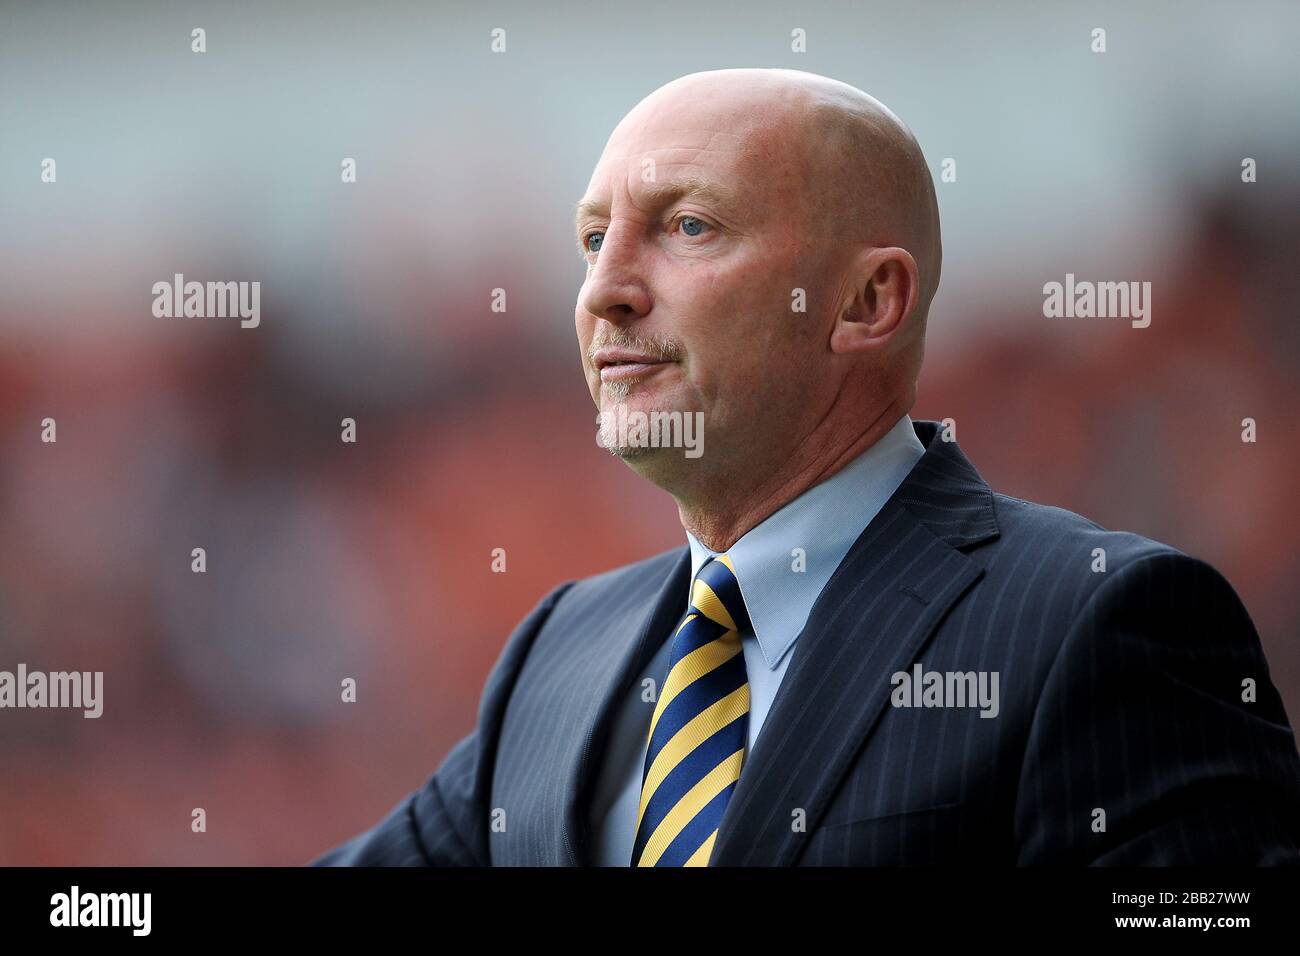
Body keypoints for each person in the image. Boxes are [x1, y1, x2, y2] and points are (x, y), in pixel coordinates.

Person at [313, 68, 1300, 866]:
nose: (604, 289)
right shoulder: (556, 655)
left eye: (687, 227)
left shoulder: (1100, 621)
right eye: (590, 239)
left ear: (868, 300)